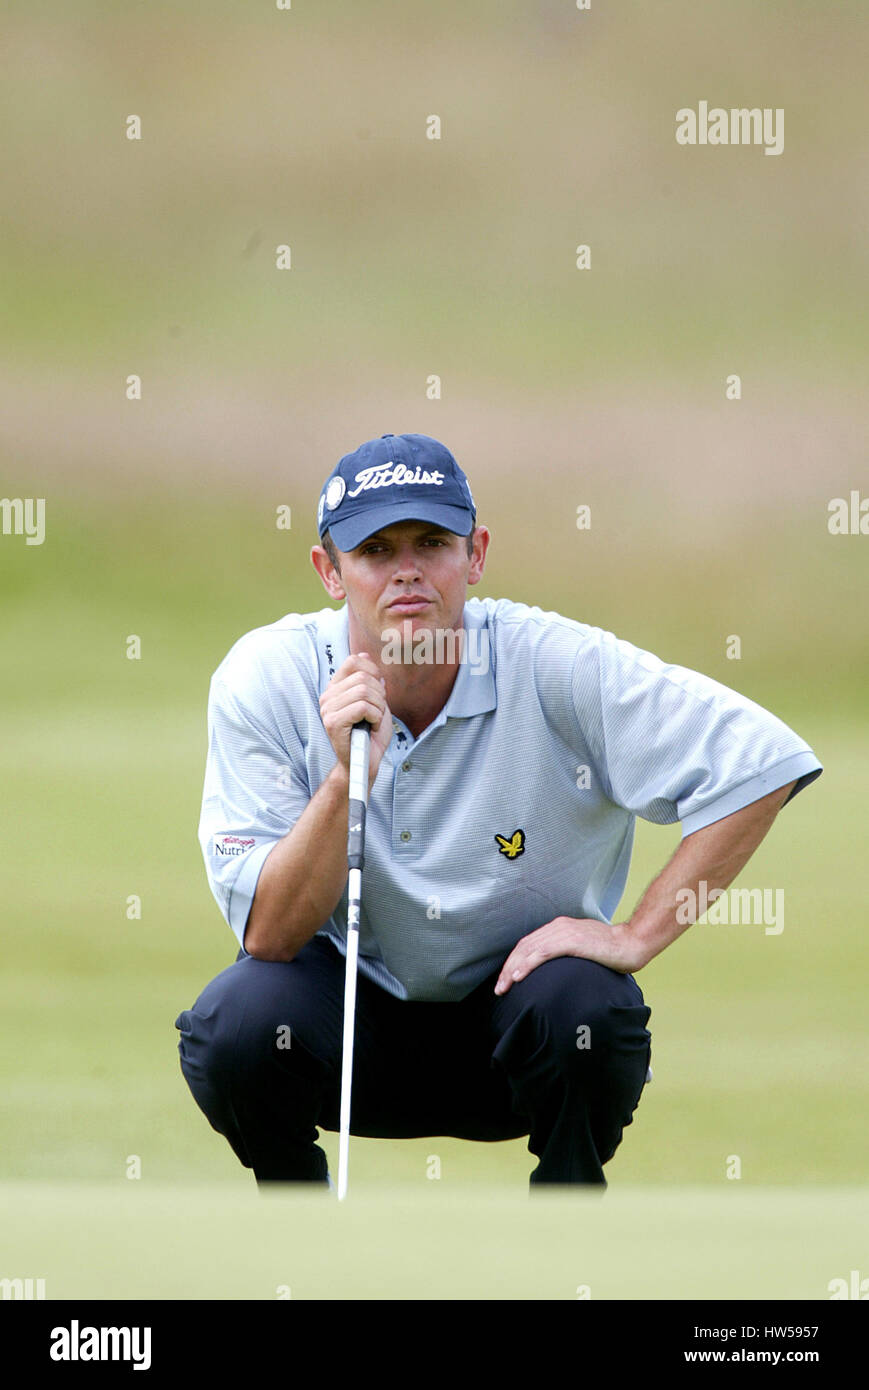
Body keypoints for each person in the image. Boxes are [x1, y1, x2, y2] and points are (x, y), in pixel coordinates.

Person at [175, 432, 823, 1188]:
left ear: (475, 554)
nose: (407, 572)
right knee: (240, 1022)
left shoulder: (554, 663)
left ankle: (565, 1226)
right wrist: (344, 778)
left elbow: (759, 760)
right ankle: (299, 1228)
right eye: (376, 550)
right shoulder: (268, 675)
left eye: (432, 542)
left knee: (588, 1002)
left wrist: (637, 934)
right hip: (347, 1031)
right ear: (329, 571)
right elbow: (272, 933)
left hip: (519, 1028)